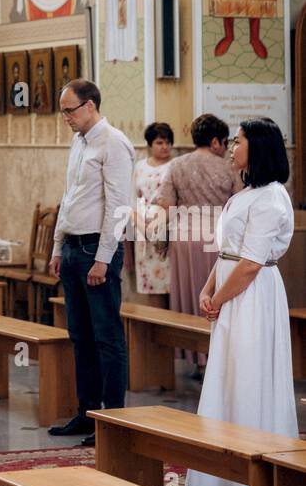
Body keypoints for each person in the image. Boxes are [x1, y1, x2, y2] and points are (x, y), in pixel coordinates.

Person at [184, 118, 297, 486]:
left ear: (260, 148)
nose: (232, 147)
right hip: (234, 293)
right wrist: (208, 288)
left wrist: (221, 298)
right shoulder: (246, 192)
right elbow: (229, 252)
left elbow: (251, 264)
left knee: (249, 381)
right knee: (229, 381)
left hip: (253, 297)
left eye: (240, 140)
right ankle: (226, 484)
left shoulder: (271, 198)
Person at [48, 79, 134, 446]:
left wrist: (102, 259)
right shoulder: (79, 140)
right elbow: (69, 198)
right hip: (72, 249)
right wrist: (56, 246)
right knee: (80, 337)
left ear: (90, 105)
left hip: (97, 251)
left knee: (107, 337)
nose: (65, 116)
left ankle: (112, 420)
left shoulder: (114, 142)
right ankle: (86, 413)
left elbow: (118, 205)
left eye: (70, 109)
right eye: (63, 110)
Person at [151, 112, 241, 371]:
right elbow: (236, 204)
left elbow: (166, 205)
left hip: (184, 237)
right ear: (215, 141)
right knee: (216, 297)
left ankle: (196, 359)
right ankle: (216, 357)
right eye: (225, 142)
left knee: (191, 297)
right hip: (217, 238)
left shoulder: (177, 165)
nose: (226, 148)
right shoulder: (228, 168)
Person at [129, 122, 173, 306]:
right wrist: (143, 228)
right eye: (160, 142)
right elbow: (131, 201)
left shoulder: (175, 166)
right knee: (152, 287)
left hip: (167, 230)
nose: (165, 147)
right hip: (143, 231)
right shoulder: (139, 167)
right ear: (150, 144)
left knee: (170, 285)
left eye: (168, 142)